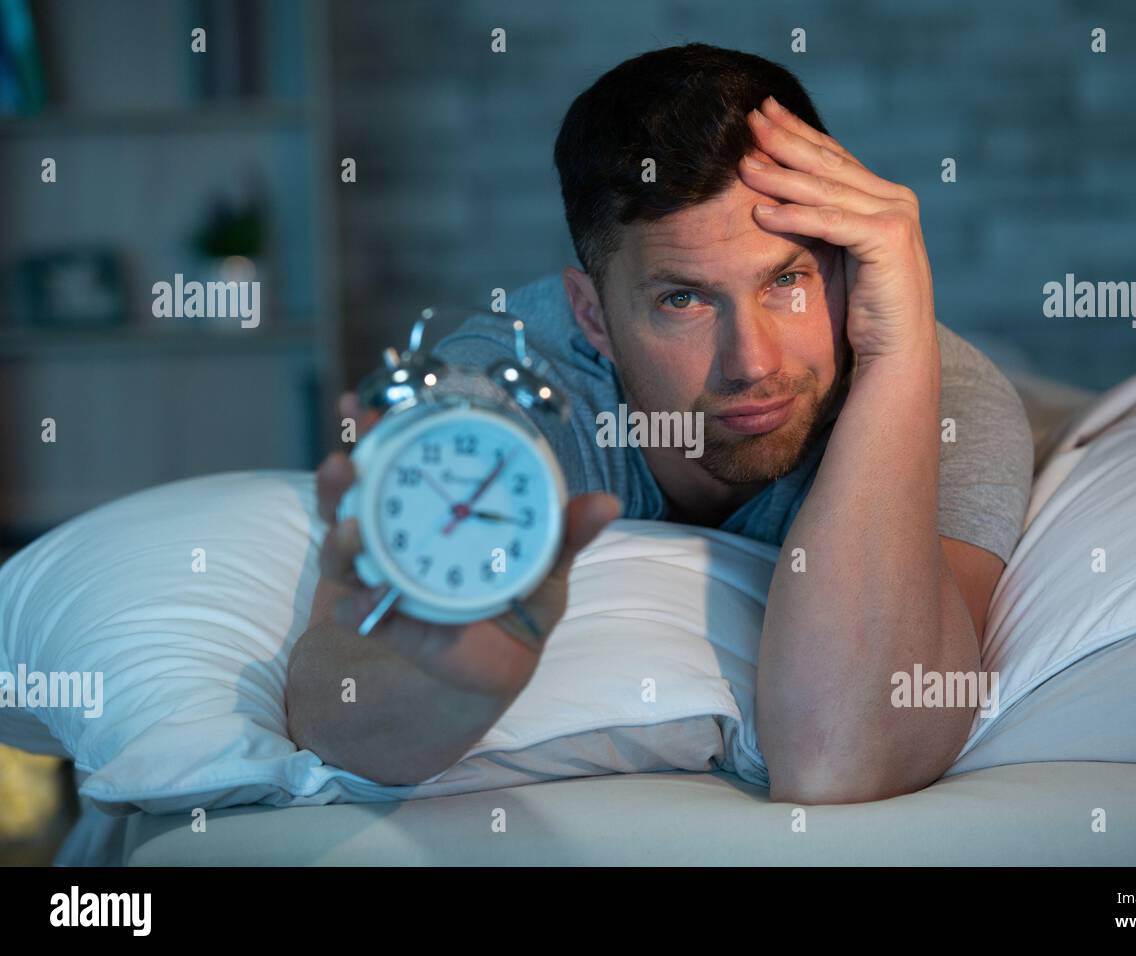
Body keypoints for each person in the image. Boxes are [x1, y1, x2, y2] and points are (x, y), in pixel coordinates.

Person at [287, 43, 1033, 804]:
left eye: (787, 280)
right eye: (684, 300)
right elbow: (331, 716)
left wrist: (902, 353)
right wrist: (446, 684)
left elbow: (840, 758)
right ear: (593, 317)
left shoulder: (942, 394)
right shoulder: (501, 395)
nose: (751, 361)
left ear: (840, 267)